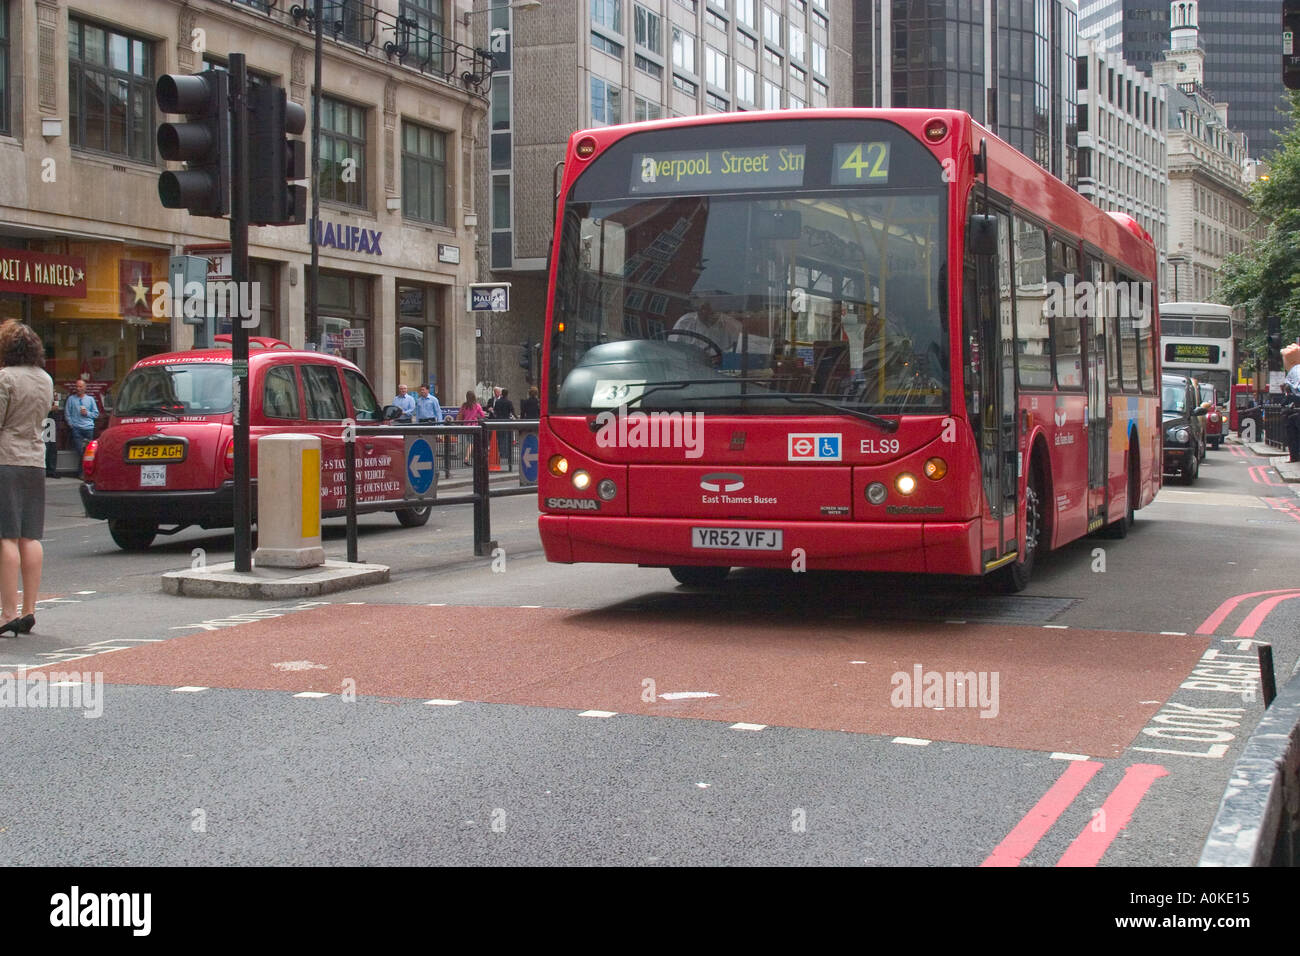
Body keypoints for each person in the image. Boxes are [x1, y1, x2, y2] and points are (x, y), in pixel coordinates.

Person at [0, 321, 54, 636]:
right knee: (30, 537)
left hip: (6, 459)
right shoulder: (44, 379)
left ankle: (7, 612)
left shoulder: (5, 378)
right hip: (35, 461)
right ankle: (29, 609)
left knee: (6, 536)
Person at [672, 300, 741, 354]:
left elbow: (738, 358)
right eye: (703, 308)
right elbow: (672, 351)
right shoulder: (684, 323)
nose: (706, 313)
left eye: (712, 310)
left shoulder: (734, 327)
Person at [64, 378, 98, 478]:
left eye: (80, 386)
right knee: (80, 450)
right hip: (77, 429)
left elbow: (96, 414)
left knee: (88, 452)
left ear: (85, 388)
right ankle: (84, 472)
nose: (78, 388)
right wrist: (71, 424)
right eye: (77, 386)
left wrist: (87, 413)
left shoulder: (90, 399)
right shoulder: (71, 399)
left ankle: (83, 472)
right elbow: (67, 413)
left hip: (88, 428)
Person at [458, 389, 486, 466]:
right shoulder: (477, 406)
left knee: (469, 442)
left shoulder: (464, 406)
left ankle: (469, 456)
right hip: (474, 426)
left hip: (465, 426)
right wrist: (476, 416)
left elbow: (461, 414)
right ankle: (467, 458)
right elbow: (483, 415)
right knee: (472, 443)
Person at [1282, 344, 1300, 462]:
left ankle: (1294, 456)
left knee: (1293, 434)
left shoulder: (1295, 370)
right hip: (1294, 407)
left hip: (1295, 407)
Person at [491, 387, 517, 468]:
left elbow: (495, 411)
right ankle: (506, 454)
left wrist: (497, 416)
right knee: (506, 437)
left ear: (502, 394)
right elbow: (512, 411)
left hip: (499, 421)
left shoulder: (498, 402)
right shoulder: (509, 402)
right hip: (506, 421)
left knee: (499, 437)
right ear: (507, 394)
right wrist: (517, 417)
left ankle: (501, 452)